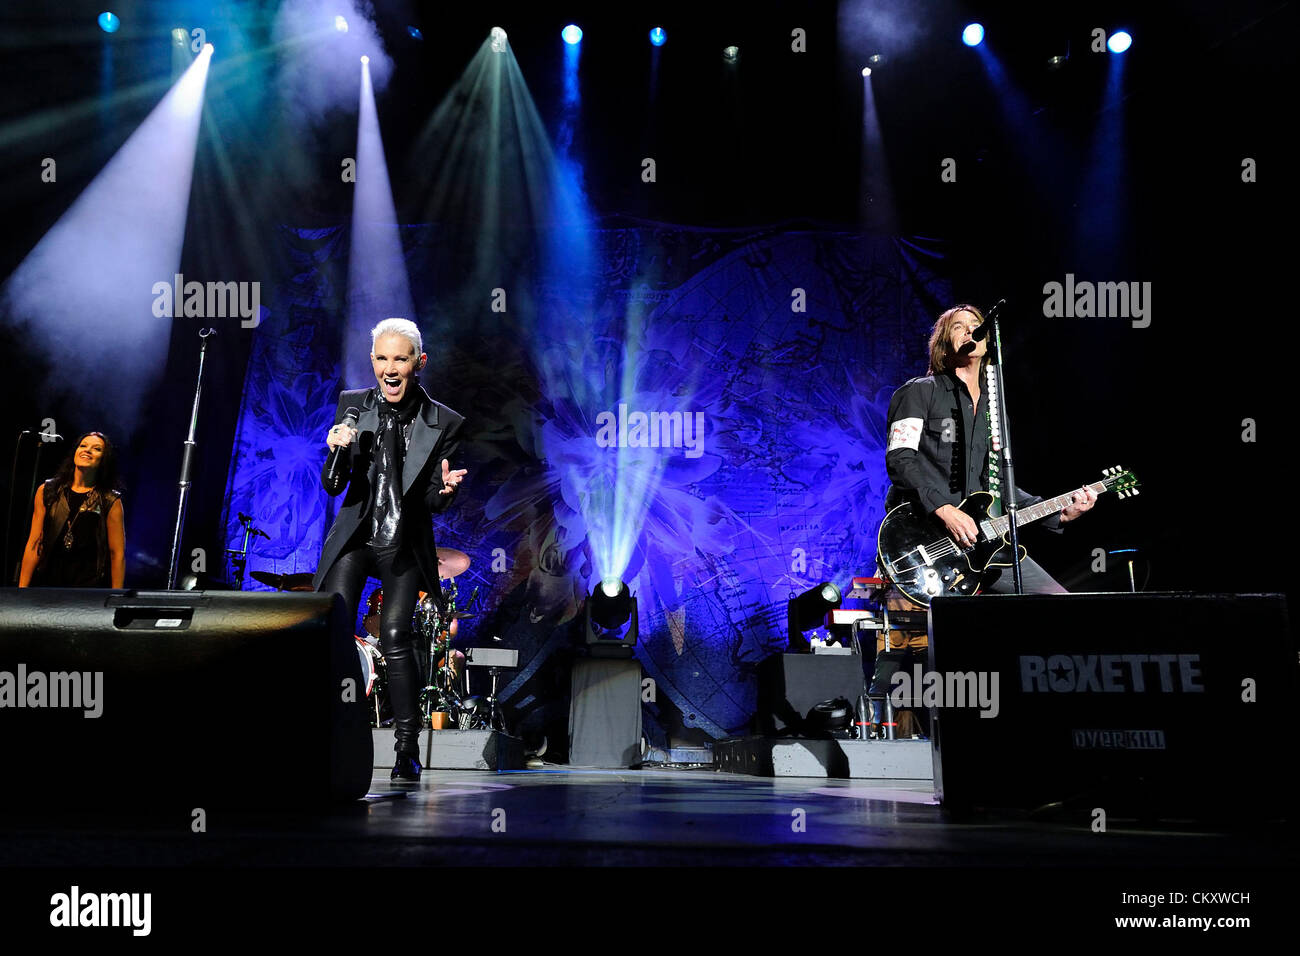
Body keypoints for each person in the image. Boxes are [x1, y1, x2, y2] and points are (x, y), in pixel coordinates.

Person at [877, 304, 1096, 734]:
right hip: (925, 542)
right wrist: (942, 507)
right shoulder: (919, 392)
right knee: (923, 654)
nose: (968, 332)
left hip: (983, 544)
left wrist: (1059, 511)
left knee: (1064, 610)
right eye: (957, 327)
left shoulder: (997, 414)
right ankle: (915, 744)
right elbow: (900, 457)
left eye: (974, 327)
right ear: (945, 342)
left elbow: (998, 489)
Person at [314, 318, 467, 781]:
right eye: (382, 358)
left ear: (418, 364)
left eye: (400, 359)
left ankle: (406, 748)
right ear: (374, 362)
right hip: (357, 534)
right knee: (335, 630)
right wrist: (335, 450)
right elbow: (333, 485)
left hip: (402, 537)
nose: (390, 368)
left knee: (397, 635)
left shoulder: (444, 422)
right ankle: (331, 735)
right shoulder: (352, 406)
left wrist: (446, 490)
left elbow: (433, 502)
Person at [18, 431, 125, 588]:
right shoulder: (48, 491)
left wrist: (116, 598)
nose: (87, 450)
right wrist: (22, 591)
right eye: (83, 445)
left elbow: (117, 554)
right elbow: (34, 544)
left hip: (85, 590)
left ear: (104, 460)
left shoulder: (110, 500)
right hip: (46, 584)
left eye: (97, 448)